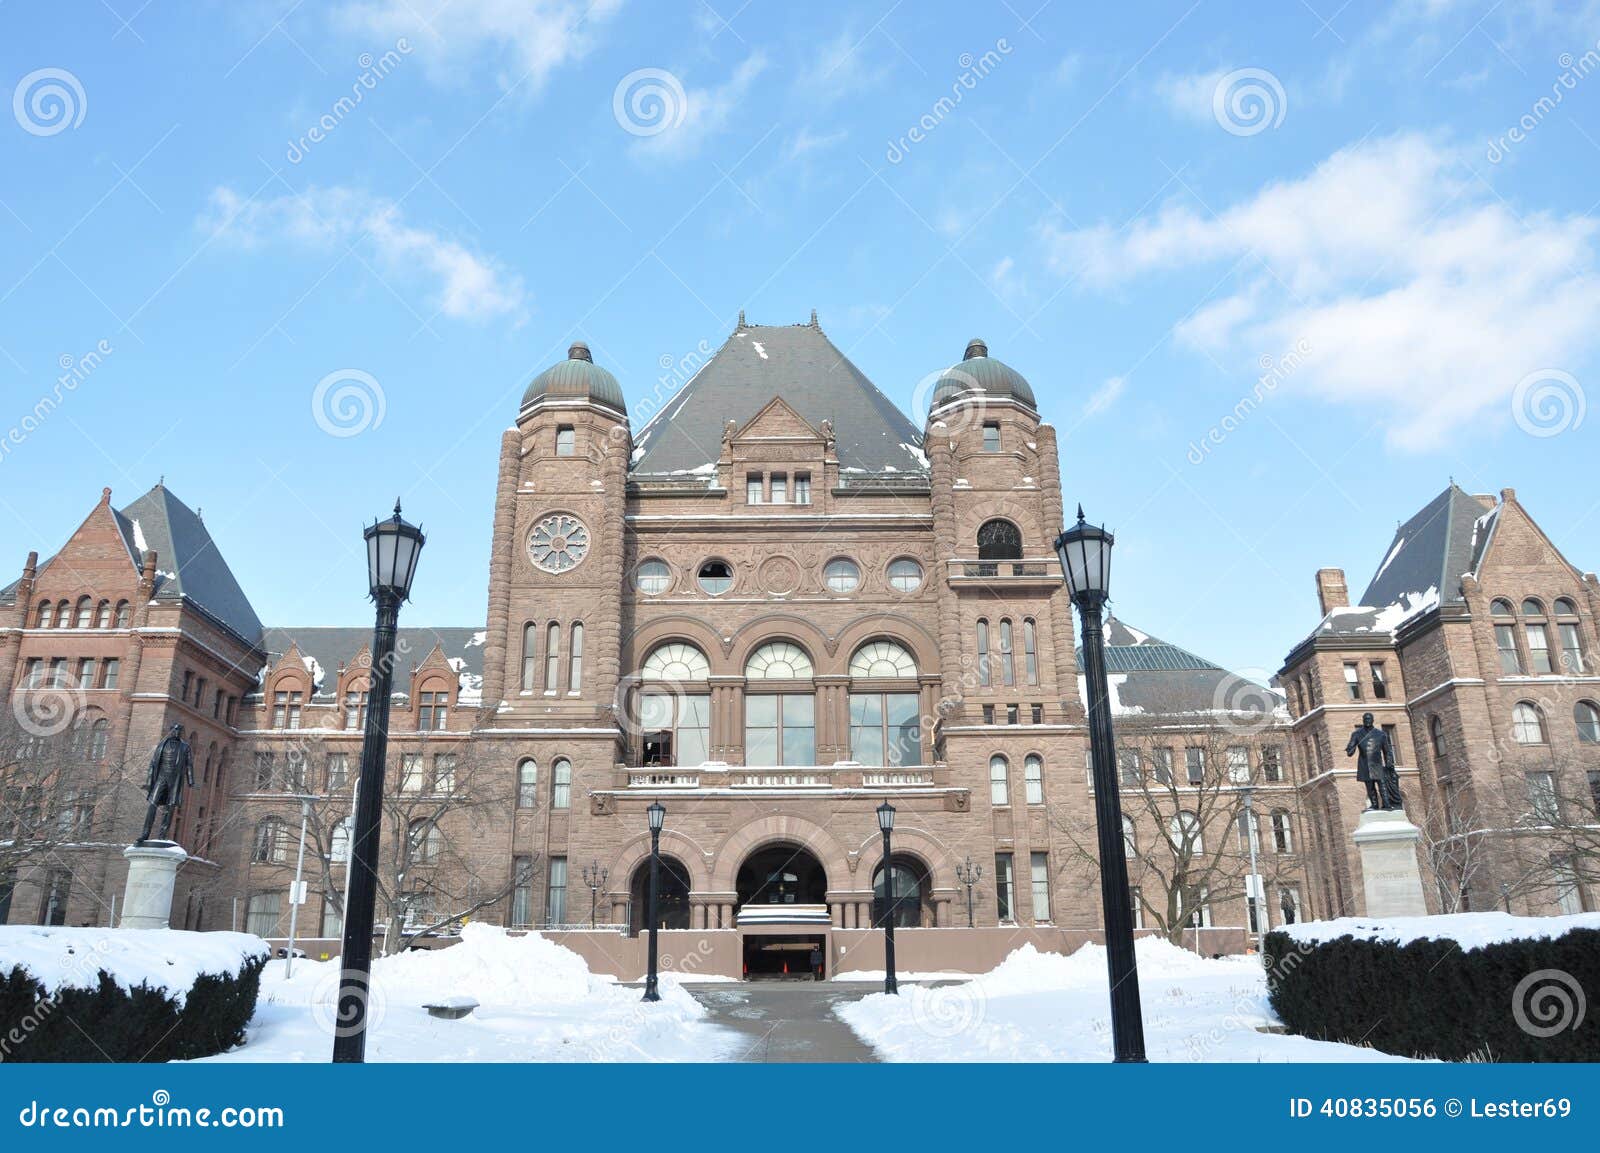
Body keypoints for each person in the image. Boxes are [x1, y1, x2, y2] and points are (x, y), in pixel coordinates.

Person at [1345, 712, 1402, 811]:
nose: (1367, 721)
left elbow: (1387, 750)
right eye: (1365, 719)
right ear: (1363, 721)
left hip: (1376, 763)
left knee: (1382, 784)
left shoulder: (1380, 734)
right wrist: (1350, 748)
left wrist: (1389, 762)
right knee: (1370, 786)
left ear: (1373, 720)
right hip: (1364, 763)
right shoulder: (1357, 734)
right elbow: (1351, 750)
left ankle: (1386, 803)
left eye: (1369, 719)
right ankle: (1374, 805)